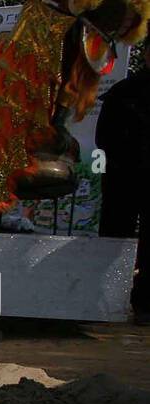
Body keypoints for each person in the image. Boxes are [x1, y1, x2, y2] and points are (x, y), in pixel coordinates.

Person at [96, 58, 150, 323]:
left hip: (124, 177)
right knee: (114, 238)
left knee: (117, 237)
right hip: (123, 178)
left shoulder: (122, 91)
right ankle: (105, 302)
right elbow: (104, 137)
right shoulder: (123, 91)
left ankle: (138, 305)